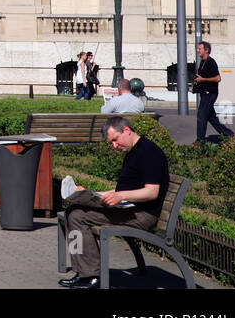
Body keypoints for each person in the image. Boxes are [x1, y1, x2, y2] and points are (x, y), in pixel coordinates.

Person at [58, 116, 169, 288]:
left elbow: (152, 192)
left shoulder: (149, 153)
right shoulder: (133, 152)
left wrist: (121, 196)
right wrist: (88, 193)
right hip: (129, 210)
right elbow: (121, 191)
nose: (115, 146)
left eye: (115, 140)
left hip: (141, 215)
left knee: (76, 216)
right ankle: (82, 272)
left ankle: (90, 275)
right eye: (111, 143)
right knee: (74, 210)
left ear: (126, 130)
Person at [192, 40, 235, 145]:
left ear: (206, 50)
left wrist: (202, 80)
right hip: (204, 93)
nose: (197, 50)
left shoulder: (211, 62)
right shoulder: (203, 62)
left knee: (202, 116)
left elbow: (218, 78)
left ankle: (200, 141)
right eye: (197, 48)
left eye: (200, 49)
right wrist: (196, 84)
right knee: (212, 118)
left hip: (210, 93)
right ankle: (229, 135)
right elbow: (201, 77)